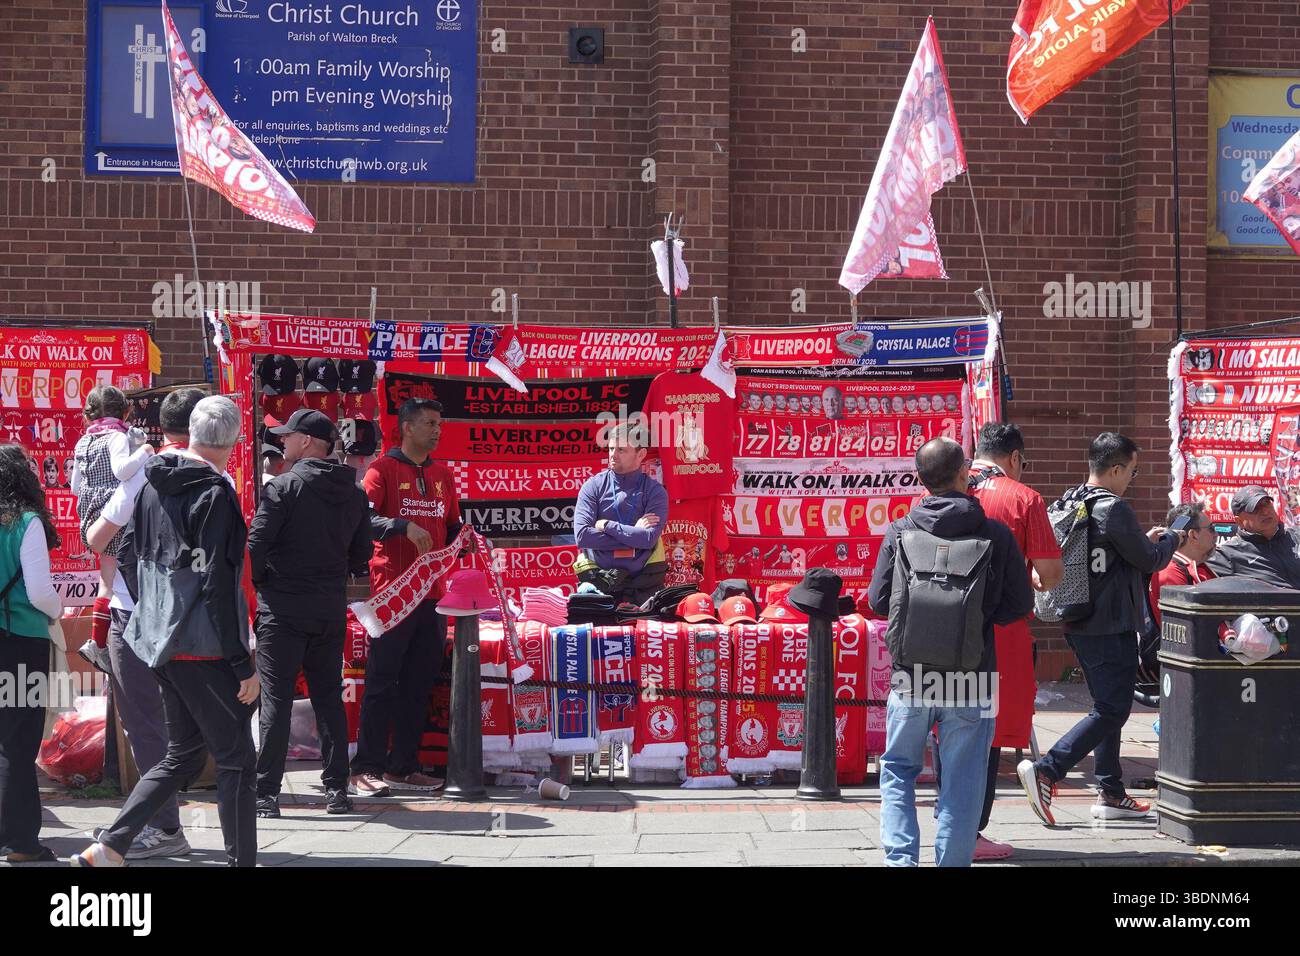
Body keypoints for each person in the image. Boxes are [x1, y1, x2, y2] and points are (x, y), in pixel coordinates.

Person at [73, 397, 259, 868]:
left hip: (156, 637)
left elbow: (128, 553)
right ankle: (242, 861)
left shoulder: (151, 482)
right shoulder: (216, 493)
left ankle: (112, 843)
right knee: (236, 756)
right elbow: (220, 582)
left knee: (182, 753)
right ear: (235, 442)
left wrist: (149, 617)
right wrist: (242, 661)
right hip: (205, 644)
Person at [868, 437, 1033, 866]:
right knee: (963, 780)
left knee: (899, 770)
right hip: (972, 672)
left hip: (912, 671)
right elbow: (1018, 606)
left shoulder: (901, 530)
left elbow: (878, 601)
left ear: (921, 481)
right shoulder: (994, 534)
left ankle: (901, 861)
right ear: (965, 475)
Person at [1018, 433, 1180, 827]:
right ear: (1116, 469)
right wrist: (1172, 540)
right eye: (1133, 471)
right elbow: (1147, 560)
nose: (1133, 479)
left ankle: (1111, 790)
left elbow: (1106, 555)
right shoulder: (1114, 507)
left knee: (1107, 706)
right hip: (1108, 624)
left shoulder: (1073, 499)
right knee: (1112, 708)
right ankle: (1049, 769)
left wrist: (1142, 543)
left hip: (1078, 617)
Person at [82, 386, 206, 860]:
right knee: (196, 725)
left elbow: (98, 538)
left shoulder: (143, 473)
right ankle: (222, 831)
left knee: (146, 724)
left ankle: (165, 825)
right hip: (191, 619)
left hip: (134, 615)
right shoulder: (221, 481)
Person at [249, 409, 371, 818]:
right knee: (328, 699)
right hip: (328, 608)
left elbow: (255, 547)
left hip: (282, 609)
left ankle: (266, 793)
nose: (282, 442)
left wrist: (266, 582)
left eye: (288, 436)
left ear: (306, 441)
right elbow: (361, 558)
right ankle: (337, 790)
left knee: (277, 700)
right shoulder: (354, 493)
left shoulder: (282, 487)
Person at [958, 423, 1063, 861]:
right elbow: (1050, 575)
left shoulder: (945, 489)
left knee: (951, 726)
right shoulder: (1024, 498)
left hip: (942, 629)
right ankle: (971, 832)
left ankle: (951, 825)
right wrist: (1031, 576)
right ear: (1015, 458)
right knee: (988, 730)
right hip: (1000, 630)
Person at [351, 397, 460, 797]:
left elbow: (451, 527)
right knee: (382, 682)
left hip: (433, 596)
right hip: (392, 596)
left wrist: (463, 541)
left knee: (419, 684)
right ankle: (365, 767)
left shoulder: (443, 475)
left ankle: (403, 767)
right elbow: (361, 518)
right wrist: (401, 525)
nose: (437, 430)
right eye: (430, 423)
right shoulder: (381, 469)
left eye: (439, 423)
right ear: (407, 427)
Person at [0, 446, 63, 863]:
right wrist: (57, 612)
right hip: (21, 640)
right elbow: (40, 592)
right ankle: (21, 841)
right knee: (17, 744)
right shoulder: (27, 522)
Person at [70, 385, 154, 669]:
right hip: (115, 519)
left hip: (90, 516)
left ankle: (99, 642)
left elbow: (75, 486)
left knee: (106, 582)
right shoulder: (116, 436)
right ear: (126, 411)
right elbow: (122, 471)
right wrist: (144, 450)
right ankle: (100, 643)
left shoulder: (83, 442)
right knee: (116, 584)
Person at [573, 423, 669, 604]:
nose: (613, 455)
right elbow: (583, 536)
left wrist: (608, 526)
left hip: (644, 585)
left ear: (641, 454)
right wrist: (634, 534)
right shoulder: (593, 486)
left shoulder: (655, 491)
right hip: (598, 581)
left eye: (621, 450)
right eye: (611, 448)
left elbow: (649, 538)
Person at [1205, 486, 1300, 588]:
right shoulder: (1228, 555)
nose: (1265, 511)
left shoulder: (1297, 535)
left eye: (1266, 503)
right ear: (1239, 521)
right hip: (1277, 603)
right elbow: (1190, 569)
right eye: (1255, 509)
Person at [1149, 502, 1217, 627]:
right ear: (1193, 535)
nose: (1216, 534)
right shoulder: (1170, 571)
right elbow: (1181, 627)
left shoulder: (1197, 566)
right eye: (1211, 529)